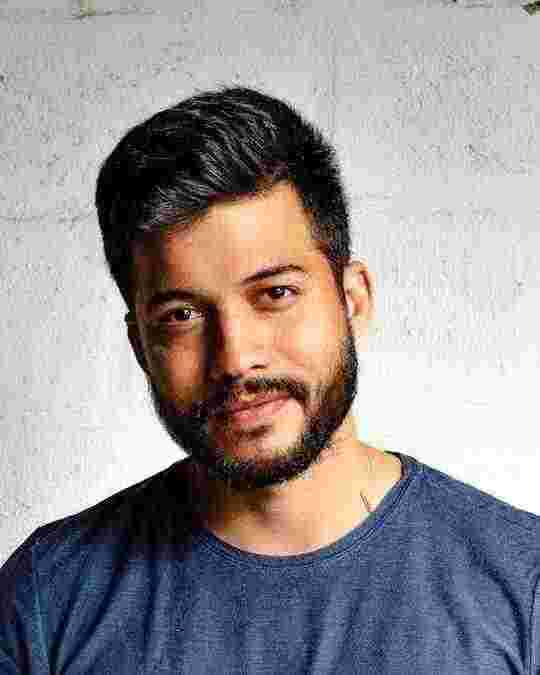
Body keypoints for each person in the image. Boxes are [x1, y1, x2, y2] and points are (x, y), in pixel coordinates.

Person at [1, 86, 540, 674]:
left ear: (353, 300)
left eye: (275, 293)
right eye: (181, 316)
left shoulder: (524, 588)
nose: (236, 359)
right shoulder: (47, 602)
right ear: (141, 347)